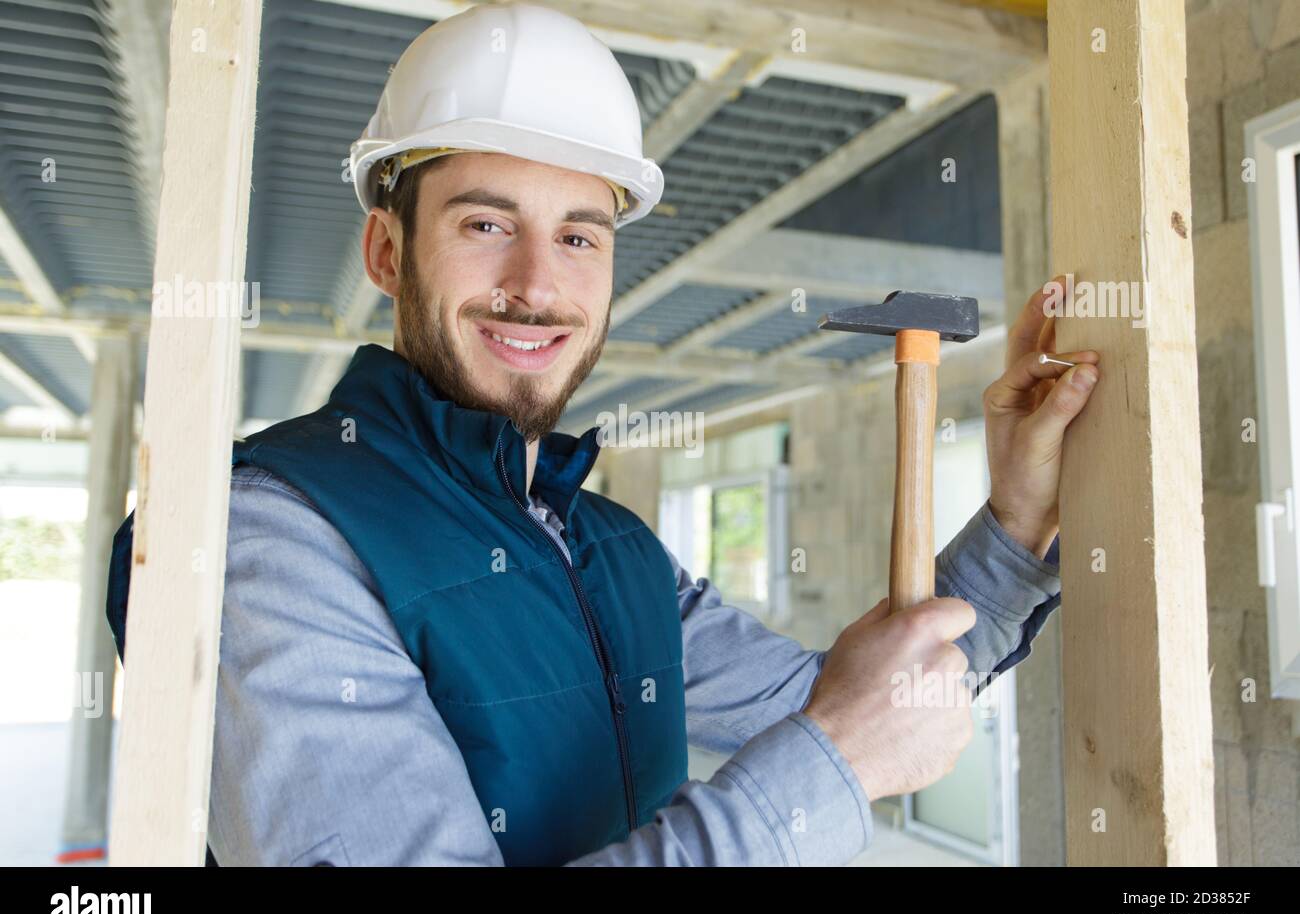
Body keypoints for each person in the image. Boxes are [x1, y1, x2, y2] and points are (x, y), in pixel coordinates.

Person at [107, 2, 1098, 866]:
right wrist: (835, 760)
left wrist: (1013, 525)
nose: (539, 285)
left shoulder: (616, 553)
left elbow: (872, 699)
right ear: (384, 248)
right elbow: (849, 730)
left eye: (580, 234)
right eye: (486, 224)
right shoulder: (268, 538)